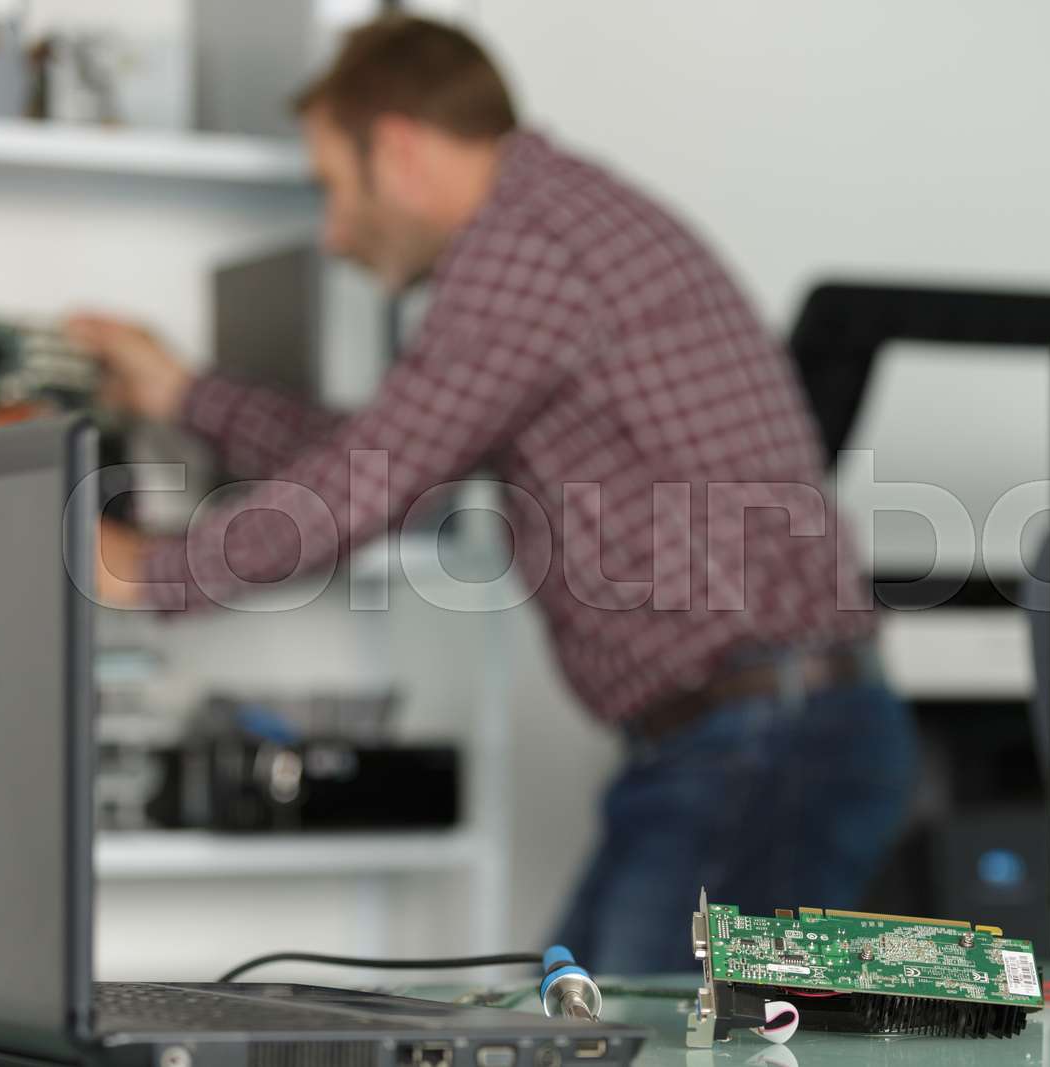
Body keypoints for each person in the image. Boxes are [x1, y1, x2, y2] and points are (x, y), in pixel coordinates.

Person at [70, 15, 914, 973]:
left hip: (761, 746)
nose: (335, 234)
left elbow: (375, 476)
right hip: (753, 739)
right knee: (578, 1018)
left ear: (399, 148)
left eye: (334, 187)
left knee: (610, 1030)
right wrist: (183, 394)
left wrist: (154, 573)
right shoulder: (553, 228)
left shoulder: (528, 248)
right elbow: (398, 461)